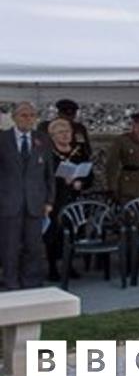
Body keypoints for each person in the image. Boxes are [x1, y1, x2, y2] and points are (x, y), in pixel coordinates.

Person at [0, 102, 55, 290]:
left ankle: (31, 282)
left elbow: (49, 174)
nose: (28, 119)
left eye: (32, 115)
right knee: (10, 246)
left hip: (35, 202)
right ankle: (10, 282)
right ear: (14, 117)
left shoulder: (43, 139)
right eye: (24, 115)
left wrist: (49, 200)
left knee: (33, 246)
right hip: (9, 202)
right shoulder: (3, 139)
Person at [45, 118, 91, 281]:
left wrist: (81, 182)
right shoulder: (48, 153)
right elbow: (43, 176)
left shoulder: (79, 151)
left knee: (72, 233)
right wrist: (61, 180)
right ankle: (52, 268)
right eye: (61, 132)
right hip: (55, 199)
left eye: (68, 132)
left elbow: (89, 174)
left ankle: (69, 265)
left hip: (74, 199)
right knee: (54, 235)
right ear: (52, 135)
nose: (65, 135)